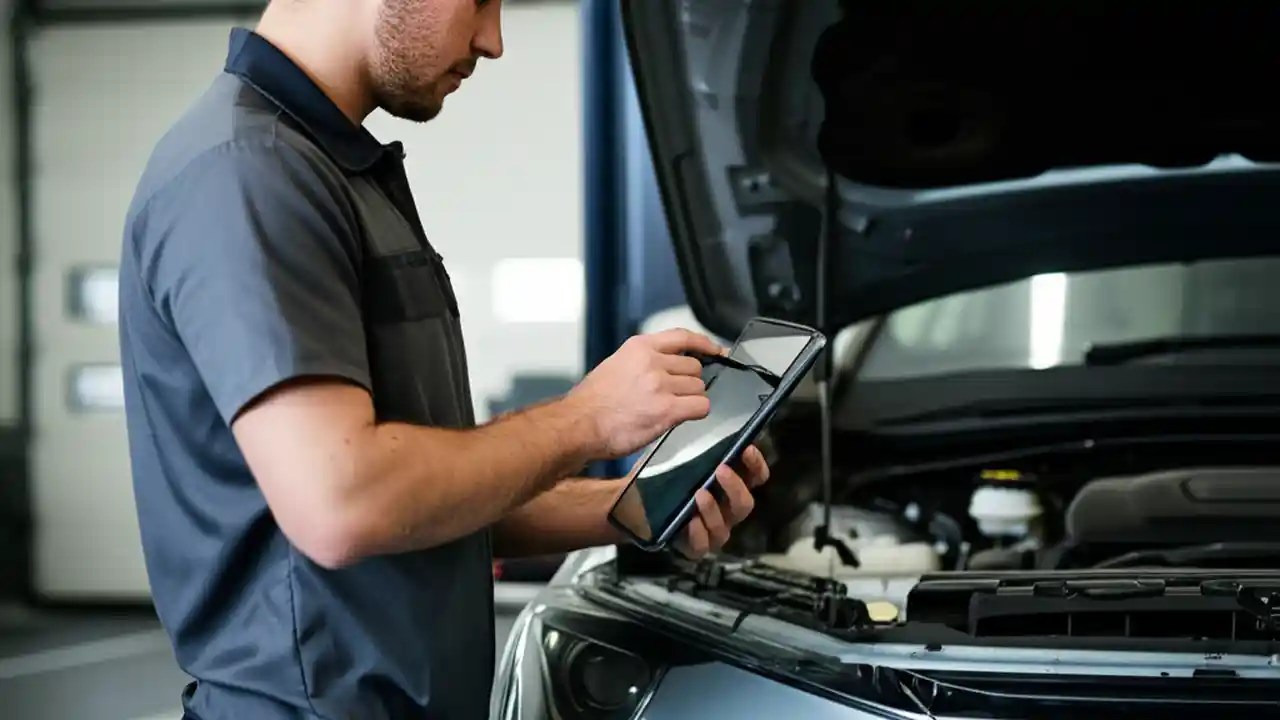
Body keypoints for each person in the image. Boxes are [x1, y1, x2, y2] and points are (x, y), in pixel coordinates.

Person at [116, 1, 770, 719]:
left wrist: (632, 508)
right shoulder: (248, 173)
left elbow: (424, 498)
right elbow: (346, 503)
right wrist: (587, 420)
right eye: (481, 0)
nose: (492, 40)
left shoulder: (333, 169)